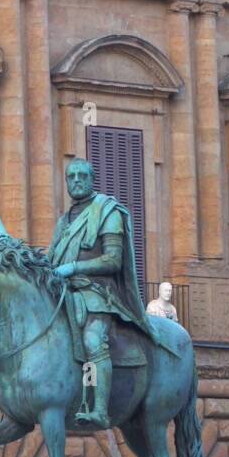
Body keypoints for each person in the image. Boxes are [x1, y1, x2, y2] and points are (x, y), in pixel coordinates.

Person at [48, 158, 162, 429]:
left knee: (92, 340)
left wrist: (74, 267)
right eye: (71, 176)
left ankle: (99, 409)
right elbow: (51, 260)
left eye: (82, 176)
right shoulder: (64, 221)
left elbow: (112, 260)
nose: (76, 180)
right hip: (66, 294)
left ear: (91, 179)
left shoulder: (108, 211)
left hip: (98, 294)